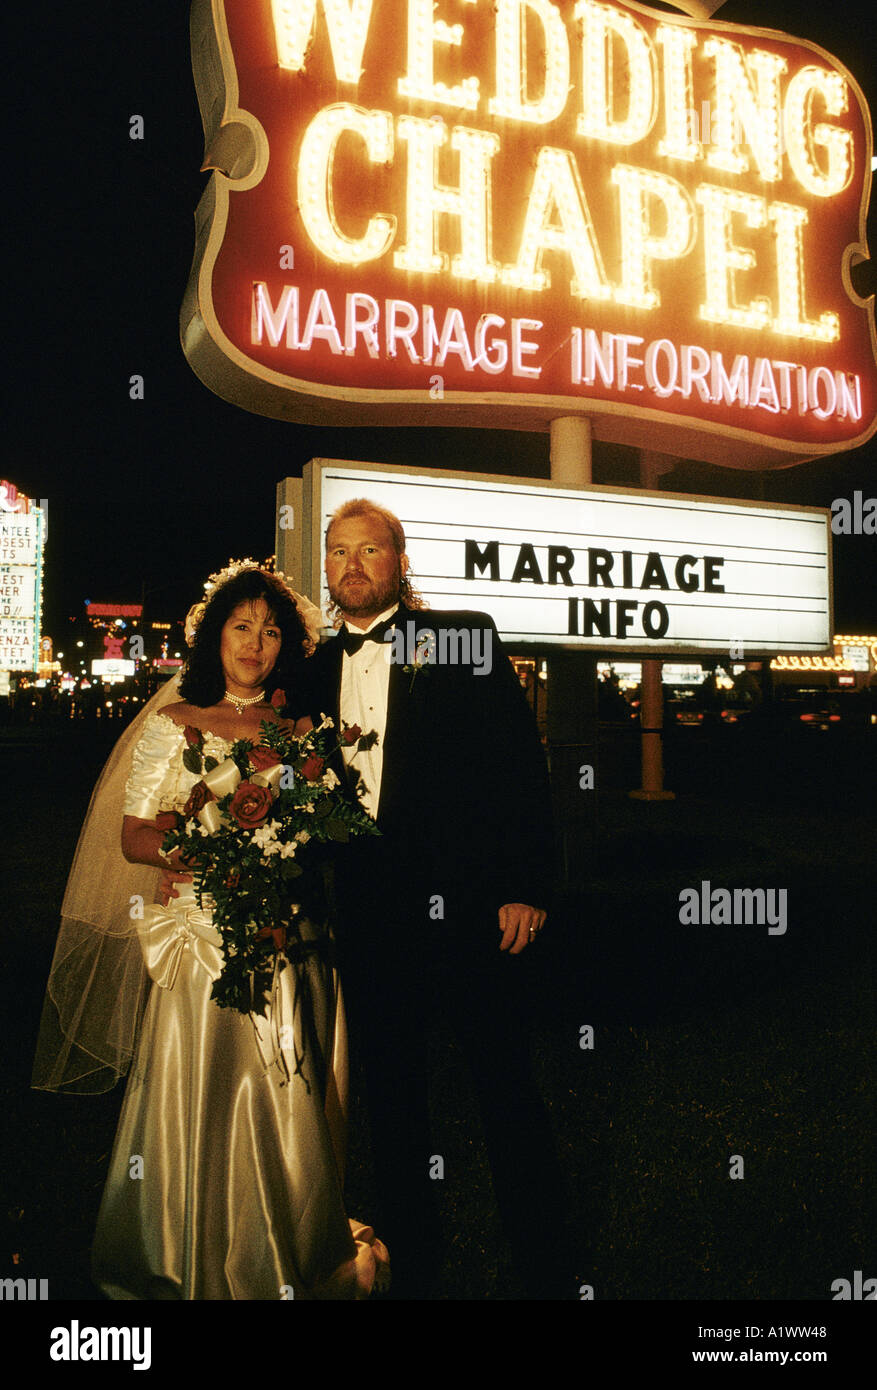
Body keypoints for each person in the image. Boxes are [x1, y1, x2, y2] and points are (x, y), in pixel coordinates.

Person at [33, 563, 387, 1300]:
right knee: (202, 1091)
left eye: (269, 630)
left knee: (285, 1087)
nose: (255, 643)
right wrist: (204, 857)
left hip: (287, 939)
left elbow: (318, 831)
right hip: (203, 941)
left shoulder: (299, 734)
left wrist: (282, 854)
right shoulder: (174, 726)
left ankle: (286, 1249)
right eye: (241, 627)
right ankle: (184, 1247)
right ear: (214, 637)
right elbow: (135, 837)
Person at [308, 498, 574, 1299]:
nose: (352, 566)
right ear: (324, 566)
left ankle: (545, 1259)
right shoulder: (309, 665)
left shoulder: (462, 636)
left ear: (400, 561)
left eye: (370, 551)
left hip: (469, 911)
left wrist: (524, 886)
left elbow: (519, 769)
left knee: (503, 1085)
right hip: (364, 919)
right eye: (338, 552)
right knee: (390, 1097)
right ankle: (413, 1258)